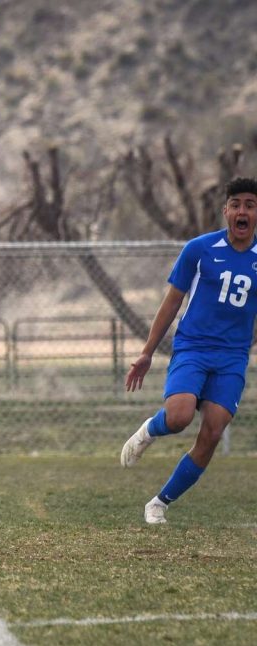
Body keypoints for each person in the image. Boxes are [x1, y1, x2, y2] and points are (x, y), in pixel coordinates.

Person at [120, 176, 257, 524]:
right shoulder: (199, 249)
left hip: (232, 358)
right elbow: (171, 303)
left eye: (250, 205)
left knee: (212, 433)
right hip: (193, 348)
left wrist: (246, 345)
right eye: (237, 204)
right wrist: (147, 351)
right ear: (226, 210)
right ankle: (151, 428)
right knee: (179, 417)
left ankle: (159, 503)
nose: (243, 211)